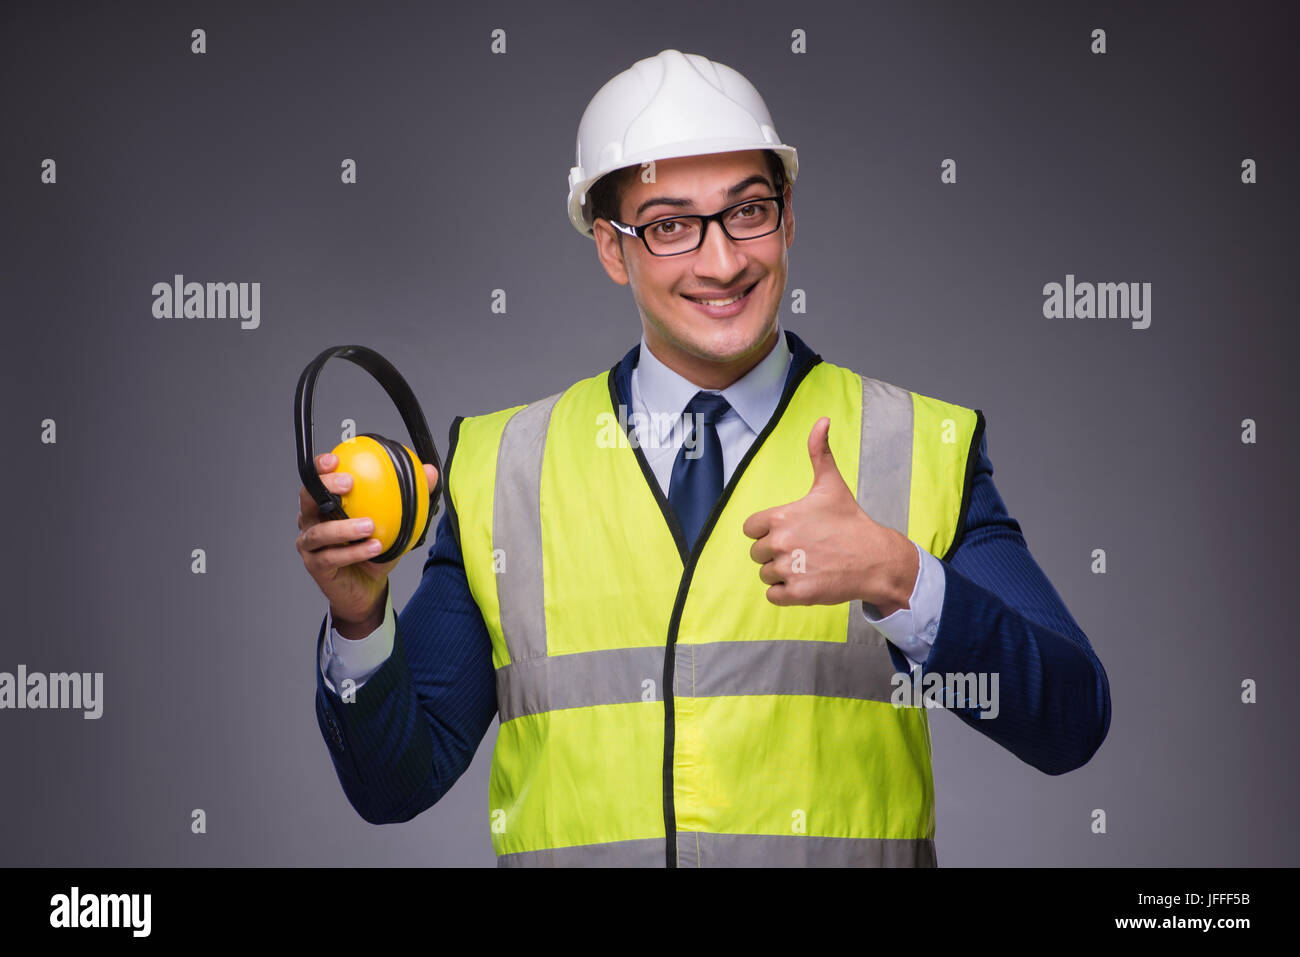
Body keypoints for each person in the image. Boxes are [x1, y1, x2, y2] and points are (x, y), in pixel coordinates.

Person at [295, 49, 1110, 867]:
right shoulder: (503, 466)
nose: (723, 263)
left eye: (748, 211)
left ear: (788, 217)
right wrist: (363, 621)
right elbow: (397, 785)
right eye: (670, 226)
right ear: (612, 249)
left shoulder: (919, 446)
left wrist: (904, 578)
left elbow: (1070, 722)